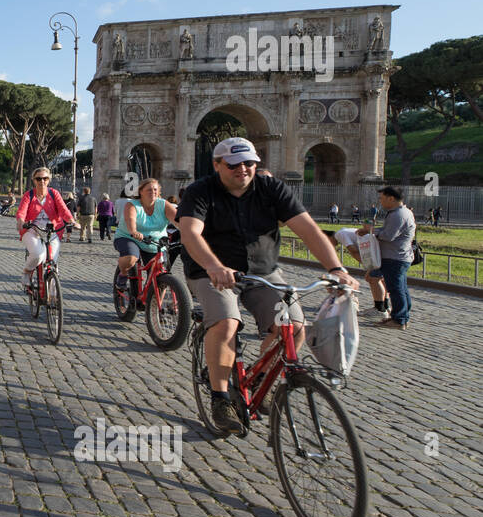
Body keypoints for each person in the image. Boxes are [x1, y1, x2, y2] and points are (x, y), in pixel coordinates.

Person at [177, 138, 359, 435]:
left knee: (295, 327)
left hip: (263, 271)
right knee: (226, 322)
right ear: (217, 165)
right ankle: (220, 398)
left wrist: (335, 268)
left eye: (249, 162)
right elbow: (191, 233)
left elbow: (308, 229)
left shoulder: (272, 188)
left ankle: (260, 380)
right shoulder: (200, 191)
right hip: (211, 272)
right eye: (233, 164)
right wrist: (213, 266)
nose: (243, 169)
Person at [113, 178, 177, 308]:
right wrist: (134, 231)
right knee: (131, 257)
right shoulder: (132, 204)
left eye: (155, 189)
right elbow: (130, 219)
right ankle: (123, 274)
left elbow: (178, 220)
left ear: (158, 191)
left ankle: (154, 307)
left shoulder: (163, 204)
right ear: (141, 191)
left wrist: (190, 232)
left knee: (162, 272)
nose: (152, 192)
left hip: (155, 242)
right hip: (129, 237)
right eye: (149, 189)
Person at [357, 186, 415, 330]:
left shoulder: (398, 214)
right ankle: (400, 316)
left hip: (395, 257)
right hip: (398, 256)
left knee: (396, 289)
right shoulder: (400, 212)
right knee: (400, 288)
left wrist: (369, 231)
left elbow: (388, 235)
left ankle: (399, 320)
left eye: (382, 198)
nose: (380, 201)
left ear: (391, 198)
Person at [16, 168, 75, 295]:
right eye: (38, 179)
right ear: (33, 180)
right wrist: (21, 221)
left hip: (52, 232)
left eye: (45, 178)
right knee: (38, 255)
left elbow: (63, 209)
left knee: (52, 262)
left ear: (49, 180)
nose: (42, 181)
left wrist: (72, 220)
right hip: (32, 230)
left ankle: (53, 296)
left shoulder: (54, 194)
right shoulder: (29, 195)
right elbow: (22, 211)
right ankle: (27, 272)